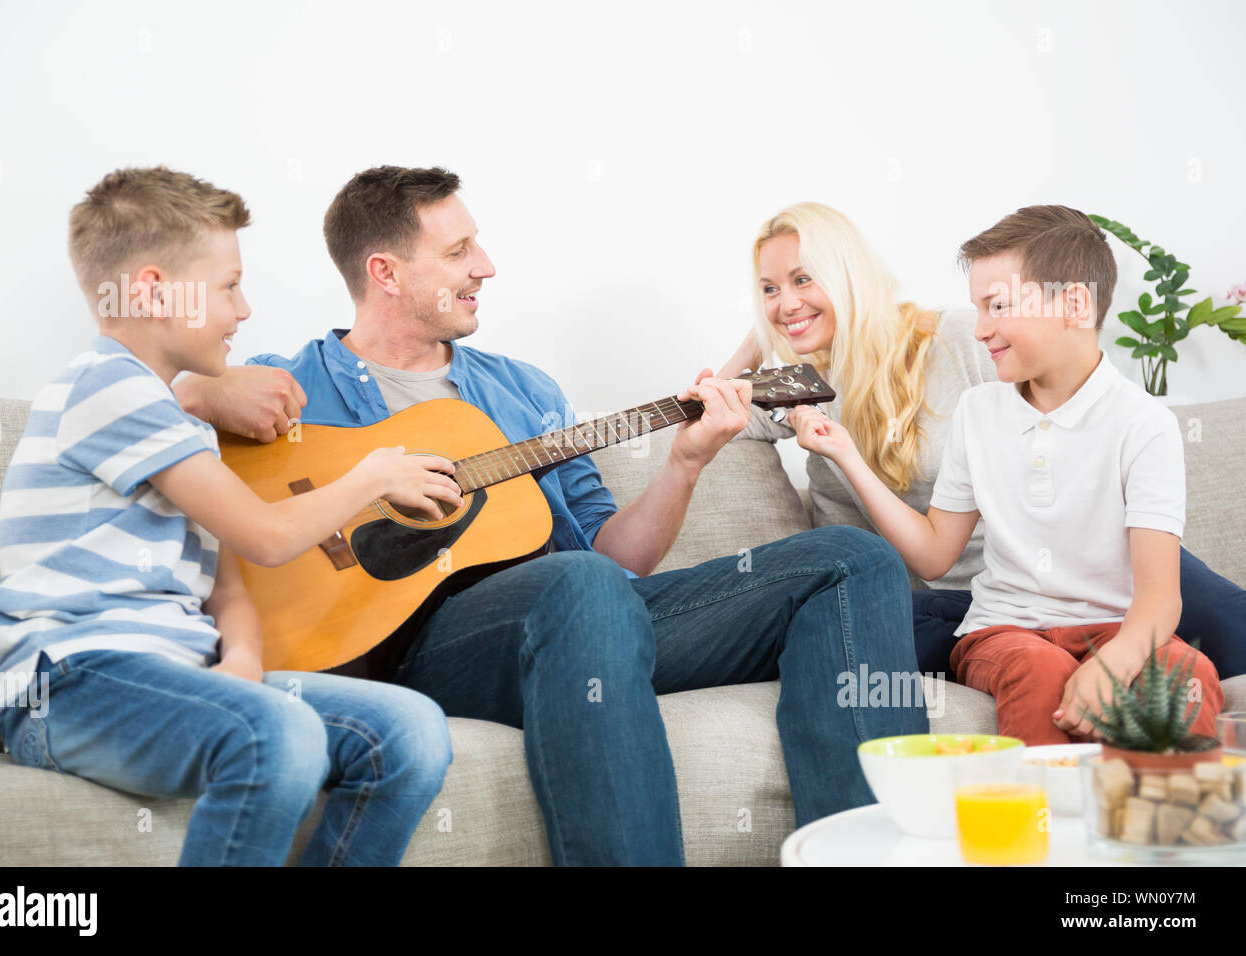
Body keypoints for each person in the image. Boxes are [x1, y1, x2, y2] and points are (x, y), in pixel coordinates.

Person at [174, 165, 929, 866]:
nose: (487, 266)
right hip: (423, 653)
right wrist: (197, 391)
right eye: (459, 250)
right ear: (386, 272)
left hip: (589, 626)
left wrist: (685, 461)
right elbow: (141, 418)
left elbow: (617, 560)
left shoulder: (524, 393)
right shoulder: (287, 386)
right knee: (578, 584)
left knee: (846, 559)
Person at [0, 167, 453, 866]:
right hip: (74, 683)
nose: (245, 310)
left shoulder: (182, 425)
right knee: (278, 736)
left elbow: (227, 586)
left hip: (181, 673)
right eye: (229, 285)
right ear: (151, 290)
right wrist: (374, 475)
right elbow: (265, 536)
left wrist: (243, 662)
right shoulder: (104, 386)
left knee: (410, 732)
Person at [720, 201, 1246, 681]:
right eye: (768, 288)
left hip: (1087, 573)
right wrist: (759, 340)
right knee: (841, 628)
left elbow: (1065, 406)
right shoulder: (798, 393)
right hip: (976, 602)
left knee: (1218, 625)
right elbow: (712, 415)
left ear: (847, 279)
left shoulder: (955, 342)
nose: (786, 302)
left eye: (802, 280)